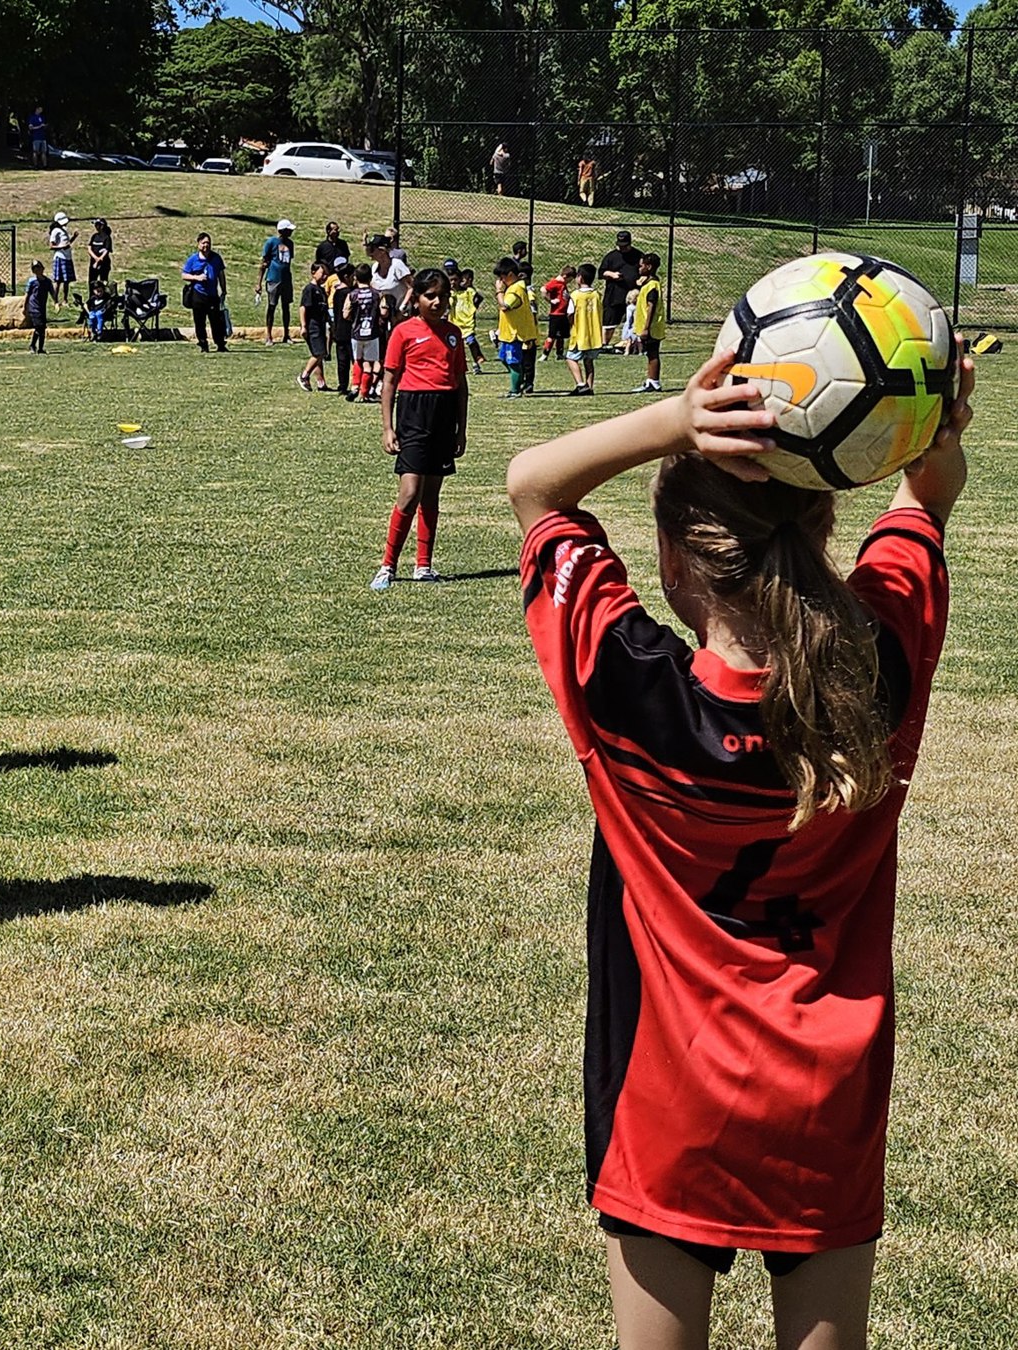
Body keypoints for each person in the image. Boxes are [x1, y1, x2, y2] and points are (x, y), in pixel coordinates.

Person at [505, 345, 974, 1350]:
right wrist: (919, 422)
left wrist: (678, 422)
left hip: (667, 1104)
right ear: (824, 530)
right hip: (830, 1092)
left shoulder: (625, 689)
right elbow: (927, 501)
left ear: (673, 563)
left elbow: (535, 484)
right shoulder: (882, 664)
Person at [371, 268, 468, 591]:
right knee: (410, 492)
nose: (437, 302)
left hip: (443, 415)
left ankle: (423, 565)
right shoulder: (403, 332)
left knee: (431, 496)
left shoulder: (454, 335)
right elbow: (389, 382)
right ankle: (387, 565)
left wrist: (461, 430)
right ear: (418, 300)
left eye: (443, 297)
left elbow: (460, 385)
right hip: (414, 413)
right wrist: (387, 427)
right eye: (430, 296)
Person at [493, 255, 538, 397]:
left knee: (513, 362)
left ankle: (515, 390)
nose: (501, 281)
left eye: (502, 277)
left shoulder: (515, 289)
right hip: (507, 333)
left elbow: (505, 306)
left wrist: (499, 291)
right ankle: (520, 378)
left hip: (514, 334)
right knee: (504, 359)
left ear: (511, 275)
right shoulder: (513, 287)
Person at [180, 233, 227, 354]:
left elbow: (221, 274)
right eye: (203, 243)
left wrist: (223, 289)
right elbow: (184, 275)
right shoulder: (193, 259)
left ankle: (220, 344)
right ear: (198, 244)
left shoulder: (216, 258)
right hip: (198, 295)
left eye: (208, 243)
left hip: (212, 295)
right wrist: (196, 278)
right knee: (199, 321)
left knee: (216, 321)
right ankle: (203, 344)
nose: (206, 245)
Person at [343, 262, 382, 401]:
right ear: (370, 277)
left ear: (355, 277)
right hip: (372, 333)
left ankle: (354, 386)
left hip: (356, 332)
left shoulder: (352, 295)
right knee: (369, 364)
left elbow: (345, 314)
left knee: (357, 360)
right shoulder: (376, 294)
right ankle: (364, 392)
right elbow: (383, 312)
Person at [257, 219, 296, 344]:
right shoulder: (272, 242)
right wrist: (258, 282)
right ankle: (268, 335)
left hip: (286, 279)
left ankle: (286, 334)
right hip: (274, 279)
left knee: (286, 307)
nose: (290, 232)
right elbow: (263, 263)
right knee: (272, 306)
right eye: (288, 230)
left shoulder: (290, 244)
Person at [600, 229, 642, 347]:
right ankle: (604, 344)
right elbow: (602, 272)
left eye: (624, 245)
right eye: (620, 245)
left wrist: (640, 281)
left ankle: (630, 343)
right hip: (614, 294)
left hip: (632, 295)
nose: (622, 248)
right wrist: (612, 275)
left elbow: (645, 271)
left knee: (631, 321)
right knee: (609, 320)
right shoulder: (611, 256)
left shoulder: (638, 255)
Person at [565, 262, 601, 395]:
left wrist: (570, 324)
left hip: (579, 334)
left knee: (570, 358)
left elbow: (570, 313)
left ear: (579, 278)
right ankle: (589, 386)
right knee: (588, 360)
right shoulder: (597, 295)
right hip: (594, 335)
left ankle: (581, 384)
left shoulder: (575, 295)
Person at [367, 234, 412, 338]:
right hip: (382, 315)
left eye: (373, 249)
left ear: (382, 251)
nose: (370, 252)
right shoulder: (374, 268)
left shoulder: (397, 265)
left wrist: (402, 308)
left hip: (399, 314)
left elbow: (411, 287)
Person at [632, 252, 665, 393]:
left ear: (649, 267)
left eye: (641, 266)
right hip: (649, 327)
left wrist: (646, 328)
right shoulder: (648, 284)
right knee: (650, 354)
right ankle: (651, 380)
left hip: (651, 327)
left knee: (652, 353)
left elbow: (651, 306)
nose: (639, 268)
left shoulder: (652, 286)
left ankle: (654, 382)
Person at [297, 260, 331, 392]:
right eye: (322, 273)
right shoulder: (309, 289)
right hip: (312, 326)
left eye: (326, 274)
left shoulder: (321, 290)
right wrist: (304, 326)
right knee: (319, 353)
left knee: (318, 354)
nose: (325, 276)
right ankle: (304, 376)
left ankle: (321, 382)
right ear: (313, 273)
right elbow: (303, 308)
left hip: (321, 324)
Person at [450, 266, 486, 376]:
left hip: (467, 324)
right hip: (454, 324)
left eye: (456, 280)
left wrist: (474, 305)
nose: (453, 283)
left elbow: (478, 297)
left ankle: (477, 362)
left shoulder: (468, 292)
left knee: (471, 342)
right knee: (454, 347)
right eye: (451, 280)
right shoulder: (451, 294)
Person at [329, 256, 353, 395]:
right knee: (355, 360)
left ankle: (342, 385)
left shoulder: (337, 293)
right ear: (346, 276)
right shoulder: (349, 294)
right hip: (349, 330)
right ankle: (357, 383)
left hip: (338, 330)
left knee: (342, 360)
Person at [543, 263, 572, 362]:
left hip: (564, 314)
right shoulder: (555, 283)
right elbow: (543, 289)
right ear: (565, 276)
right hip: (556, 314)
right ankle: (545, 354)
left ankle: (559, 354)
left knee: (561, 336)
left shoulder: (563, 284)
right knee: (552, 336)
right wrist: (550, 300)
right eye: (570, 279)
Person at [48, 211, 76, 306]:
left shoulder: (64, 230)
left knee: (66, 281)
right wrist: (61, 247)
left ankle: (65, 300)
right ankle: (55, 300)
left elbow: (67, 243)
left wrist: (73, 238)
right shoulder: (55, 231)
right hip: (60, 257)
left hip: (67, 256)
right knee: (58, 281)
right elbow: (51, 246)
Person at [24, 260, 49, 353]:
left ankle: (40, 348)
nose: (38, 270)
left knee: (42, 328)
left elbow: (52, 292)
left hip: (42, 308)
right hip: (33, 307)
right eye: (35, 269)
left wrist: (56, 302)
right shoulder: (32, 281)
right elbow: (27, 294)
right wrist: (24, 306)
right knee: (39, 326)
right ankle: (33, 345)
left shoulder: (47, 281)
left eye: (39, 268)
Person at [87, 218, 113, 291]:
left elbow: (107, 250)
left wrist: (98, 260)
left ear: (102, 226)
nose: (96, 226)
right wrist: (95, 258)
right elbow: (89, 248)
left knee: (103, 281)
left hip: (104, 264)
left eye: (97, 225)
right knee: (92, 281)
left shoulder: (107, 237)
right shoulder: (94, 236)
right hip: (93, 263)